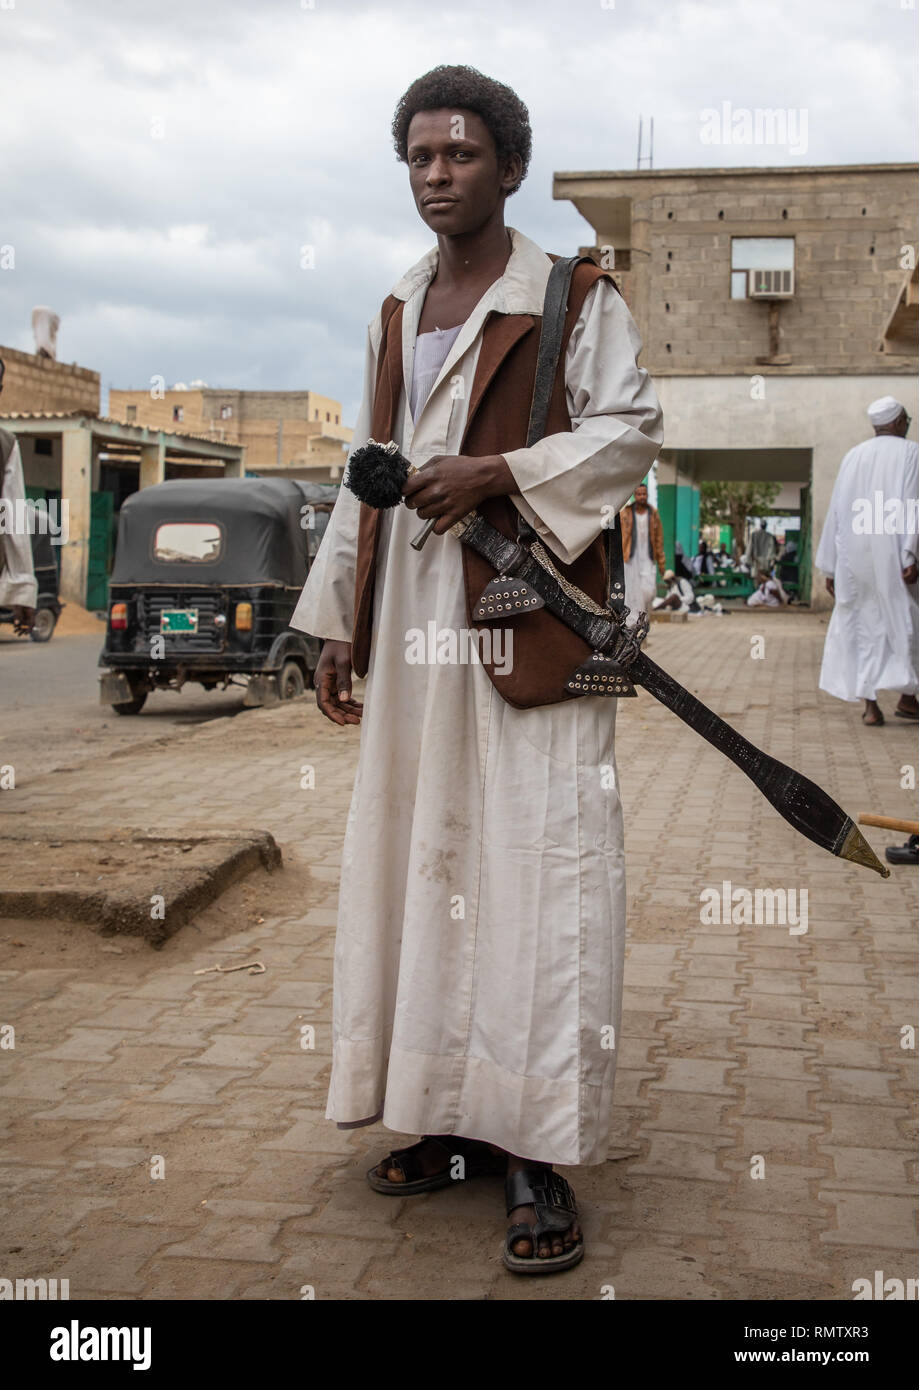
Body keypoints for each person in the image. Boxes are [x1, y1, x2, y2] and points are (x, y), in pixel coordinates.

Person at [289, 64, 663, 1275]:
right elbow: (373, 467)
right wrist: (336, 617)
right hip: (411, 635)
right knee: (427, 856)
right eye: (417, 157)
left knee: (540, 872)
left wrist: (501, 474)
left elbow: (631, 432)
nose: (436, 174)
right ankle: (452, 1121)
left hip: (529, 621)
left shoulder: (571, 294)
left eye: (458, 154)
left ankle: (541, 1153)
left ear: (509, 164)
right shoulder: (398, 305)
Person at [816, 395, 919, 727]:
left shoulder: (853, 456)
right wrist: (911, 553)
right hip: (894, 555)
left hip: (854, 560)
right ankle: (907, 697)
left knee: (862, 626)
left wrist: (830, 565)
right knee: (906, 623)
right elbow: (913, 504)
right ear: (898, 422)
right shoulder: (912, 453)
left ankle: (871, 706)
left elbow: (837, 511)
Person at [0, 359, 37, 634]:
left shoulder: (7, 445)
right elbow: (12, 521)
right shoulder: (5, 444)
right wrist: (23, 590)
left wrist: (24, 589)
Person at [620, 480, 665, 620]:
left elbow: (659, 539)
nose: (642, 497)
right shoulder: (626, 513)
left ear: (647, 495)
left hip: (648, 558)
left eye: (644, 494)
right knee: (631, 592)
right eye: (639, 494)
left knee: (648, 591)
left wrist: (662, 564)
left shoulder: (653, 514)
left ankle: (643, 616)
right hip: (630, 557)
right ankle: (633, 622)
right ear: (634, 495)